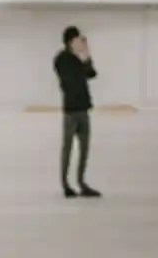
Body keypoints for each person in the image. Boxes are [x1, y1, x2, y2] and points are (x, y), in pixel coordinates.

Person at [55, 26, 101, 198]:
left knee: (84, 150)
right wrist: (80, 59)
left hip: (83, 109)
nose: (80, 41)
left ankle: (81, 182)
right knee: (67, 149)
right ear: (70, 41)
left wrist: (86, 56)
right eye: (77, 39)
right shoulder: (61, 59)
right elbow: (69, 80)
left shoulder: (79, 58)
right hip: (70, 111)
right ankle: (66, 184)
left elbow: (92, 74)